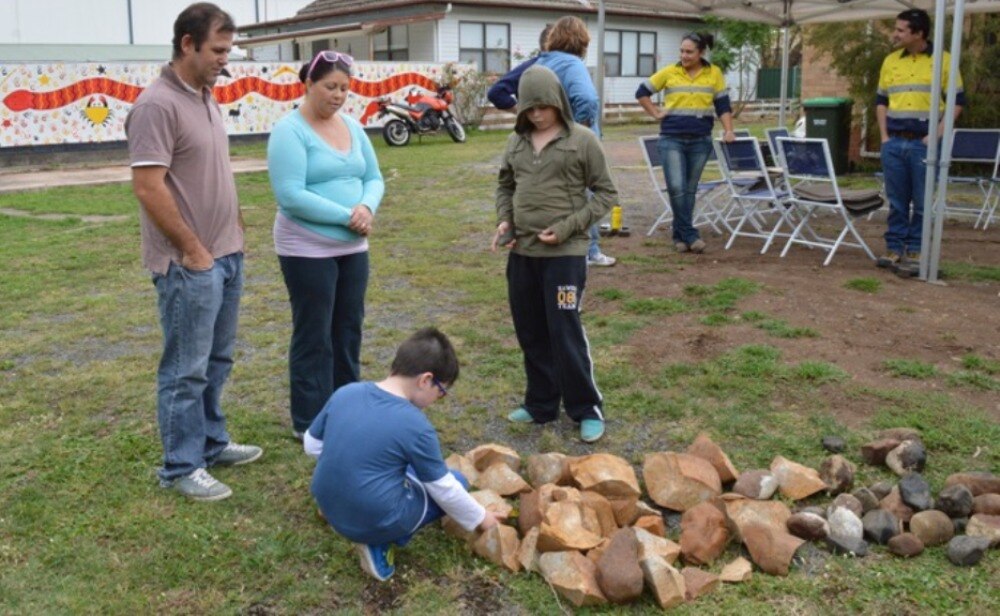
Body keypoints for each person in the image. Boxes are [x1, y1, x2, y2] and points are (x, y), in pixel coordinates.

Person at [126, 2, 261, 502]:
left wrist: (236, 228)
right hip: (190, 264)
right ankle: (181, 466)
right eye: (218, 50)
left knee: (217, 359)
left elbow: (211, 173)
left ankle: (209, 442)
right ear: (188, 44)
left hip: (227, 254)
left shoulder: (205, 96)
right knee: (186, 367)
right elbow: (148, 187)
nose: (226, 60)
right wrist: (193, 249)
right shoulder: (156, 105)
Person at [303, 328, 505, 581]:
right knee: (458, 481)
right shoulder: (415, 425)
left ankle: (344, 509)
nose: (437, 399)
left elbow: (311, 445)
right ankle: (378, 542)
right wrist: (482, 518)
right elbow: (444, 490)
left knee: (399, 469)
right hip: (373, 519)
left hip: (328, 502)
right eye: (441, 392)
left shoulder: (346, 392)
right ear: (425, 380)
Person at [493, 65, 617, 443]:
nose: (536, 115)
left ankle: (586, 407)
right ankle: (541, 404)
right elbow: (505, 186)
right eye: (529, 108)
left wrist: (565, 228)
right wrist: (505, 222)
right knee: (530, 330)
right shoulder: (516, 142)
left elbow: (608, 196)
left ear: (558, 102)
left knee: (564, 329)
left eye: (543, 107)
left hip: (565, 256)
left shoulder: (582, 140)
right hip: (523, 255)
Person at [267, 51, 385, 439]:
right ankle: (308, 420)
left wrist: (366, 206)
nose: (338, 96)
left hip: (353, 248)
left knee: (348, 329)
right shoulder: (290, 131)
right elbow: (290, 195)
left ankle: (346, 408)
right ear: (309, 85)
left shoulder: (352, 126)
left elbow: (374, 177)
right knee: (314, 333)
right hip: (306, 249)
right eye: (330, 87)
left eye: (344, 89)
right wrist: (347, 215)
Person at [487, 17, 616, 268]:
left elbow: (496, 92)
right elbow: (588, 101)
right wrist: (575, 132)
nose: (537, 112)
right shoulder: (573, 64)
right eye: (532, 109)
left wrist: (524, 115)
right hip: (570, 150)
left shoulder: (538, 63)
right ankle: (588, 251)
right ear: (582, 42)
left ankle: (583, 249)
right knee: (580, 197)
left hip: (539, 147)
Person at [875, 8, 964, 277]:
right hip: (894, 142)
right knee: (897, 201)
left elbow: (957, 103)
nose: (895, 34)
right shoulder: (891, 61)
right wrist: (884, 137)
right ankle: (894, 248)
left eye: (901, 30)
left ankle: (916, 249)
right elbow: (881, 101)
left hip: (923, 145)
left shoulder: (944, 61)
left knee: (923, 201)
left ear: (919, 33)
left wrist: (935, 135)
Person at [636, 31, 736, 254]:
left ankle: (679, 235)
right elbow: (642, 92)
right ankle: (690, 233)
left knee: (689, 190)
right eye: (682, 51)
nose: (684, 55)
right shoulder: (670, 72)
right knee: (677, 187)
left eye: (689, 52)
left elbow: (722, 104)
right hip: (671, 138)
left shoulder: (714, 73)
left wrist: (729, 130)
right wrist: (654, 112)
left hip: (700, 140)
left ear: (701, 53)